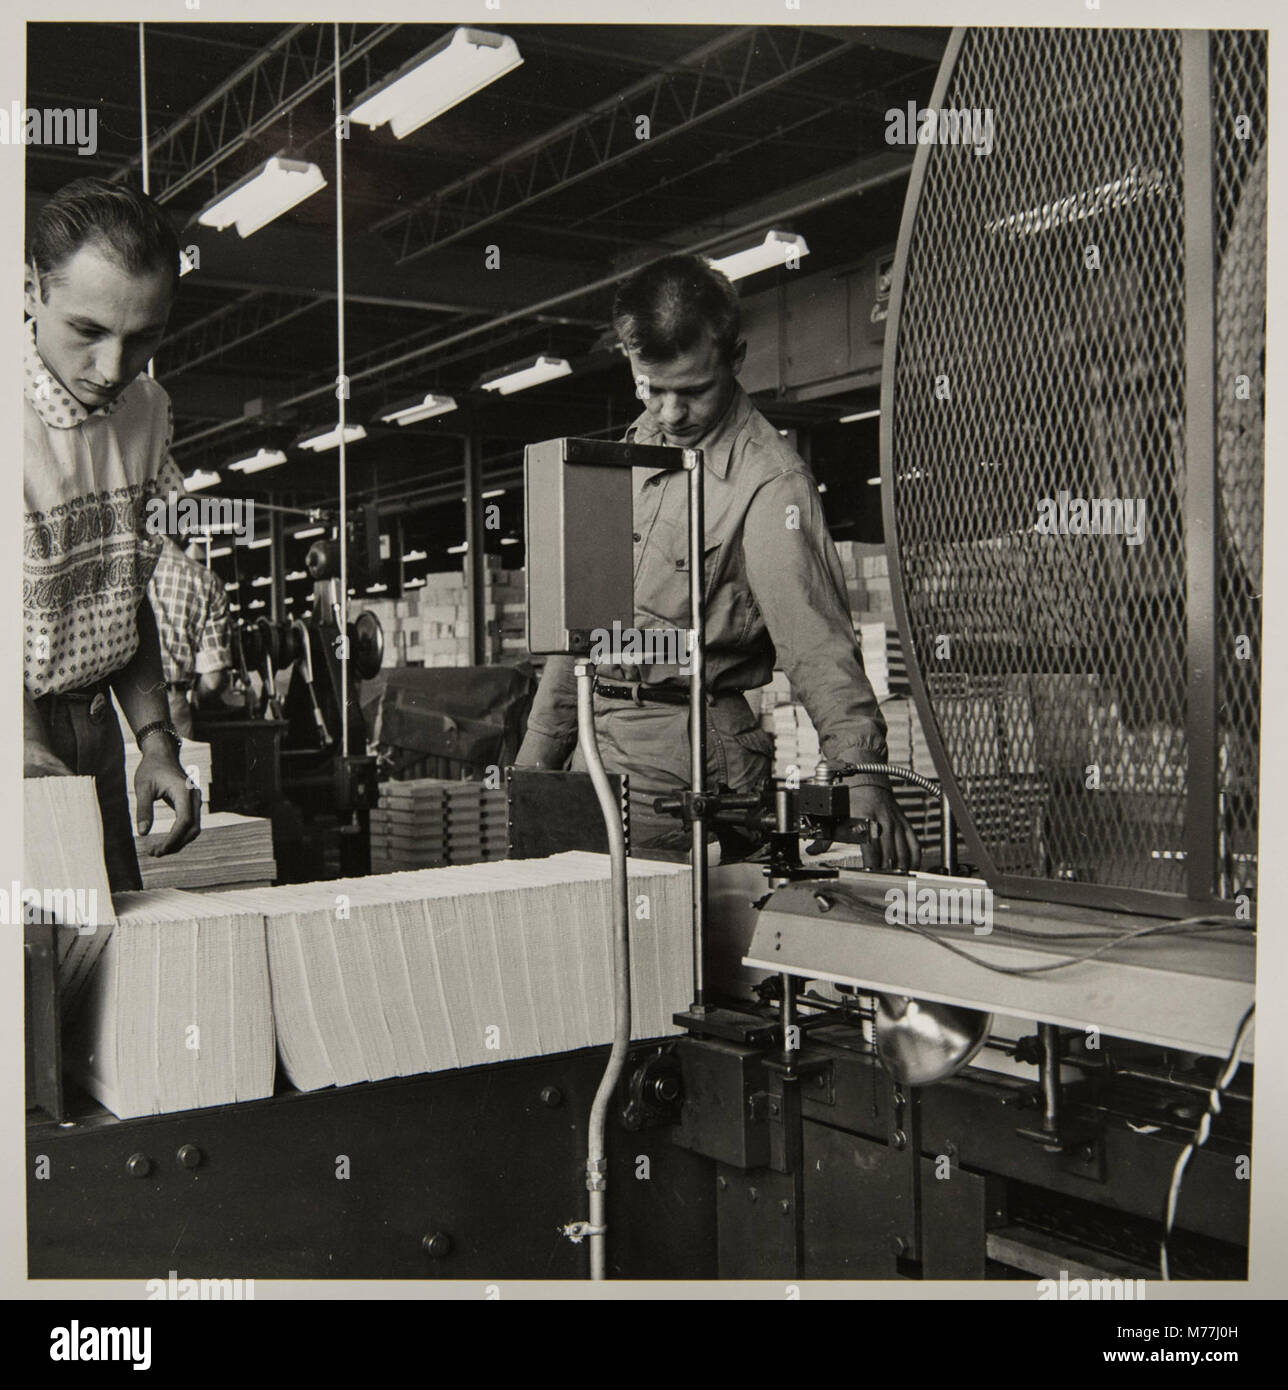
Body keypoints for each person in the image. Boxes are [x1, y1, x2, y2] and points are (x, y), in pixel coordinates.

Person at [516, 253, 920, 868]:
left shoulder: (769, 483)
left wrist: (862, 778)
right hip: (598, 746)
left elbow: (816, 644)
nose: (672, 413)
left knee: (655, 939)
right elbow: (584, 631)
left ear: (735, 358)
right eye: (653, 388)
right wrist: (537, 760)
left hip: (688, 760)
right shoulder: (639, 446)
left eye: (694, 391)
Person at [24, 177, 200, 892]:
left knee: (113, 957)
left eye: (144, 337)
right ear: (32, 288)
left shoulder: (148, 407)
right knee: (27, 977)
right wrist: (26, 746)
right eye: (88, 331)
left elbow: (123, 591)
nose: (113, 369)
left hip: (93, 724)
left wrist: (155, 741)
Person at [147, 535, 233, 738]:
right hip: (172, 706)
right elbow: (213, 681)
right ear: (184, 532)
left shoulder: (122, 568)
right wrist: (192, 696)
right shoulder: (205, 579)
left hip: (120, 706)